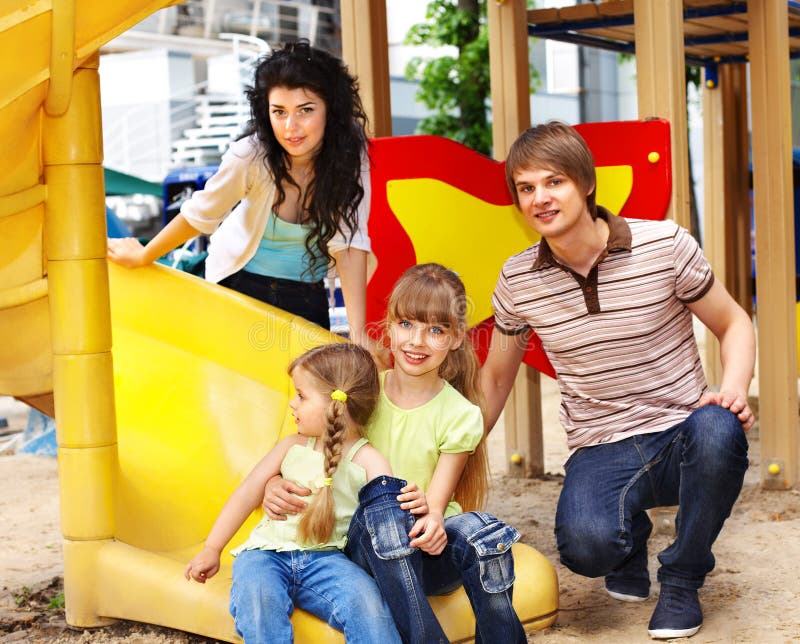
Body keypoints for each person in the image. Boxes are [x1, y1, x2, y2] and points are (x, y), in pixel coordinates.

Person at [480, 121, 755, 640]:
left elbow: (734, 322)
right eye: (526, 188)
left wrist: (735, 388)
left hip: (682, 432)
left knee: (720, 429)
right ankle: (628, 544)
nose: (540, 198)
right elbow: (496, 378)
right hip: (600, 444)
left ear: (585, 183)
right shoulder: (518, 279)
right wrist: (456, 450)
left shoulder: (666, 244)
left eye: (553, 181)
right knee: (586, 548)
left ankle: (681, 579)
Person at [263, 264, 526, 644]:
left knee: (481, 531)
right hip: (365, 546)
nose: (417, 341)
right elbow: (314, 446)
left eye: (435, 330)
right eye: (407, 324)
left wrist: (434, 521)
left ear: (455, 339)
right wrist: (274, 480)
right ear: (387, 325)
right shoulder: (364, 394)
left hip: (426, 550)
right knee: (385, 507)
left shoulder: (461, 414)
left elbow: (436, 504)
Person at [108, 40, 373, 343]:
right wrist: (145, 255)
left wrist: (359, 332)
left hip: (307, 294)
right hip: (241, 286)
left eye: (306, 110)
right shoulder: (251, 155)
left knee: (309, 388)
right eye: (279, 112)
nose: (291, 127)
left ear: (331, 109)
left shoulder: (351, 155)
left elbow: (350, 244)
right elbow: (201, 213)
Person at [184, 343, 401, 644]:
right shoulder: (293, 445)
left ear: (335, 404)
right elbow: (248, 493)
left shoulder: (369, 462)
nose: (291, 403)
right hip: (265, 554)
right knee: (259, 599)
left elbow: (390, 513)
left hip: (327, 560)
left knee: (368, 603)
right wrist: (212, 547)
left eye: (301, 395)